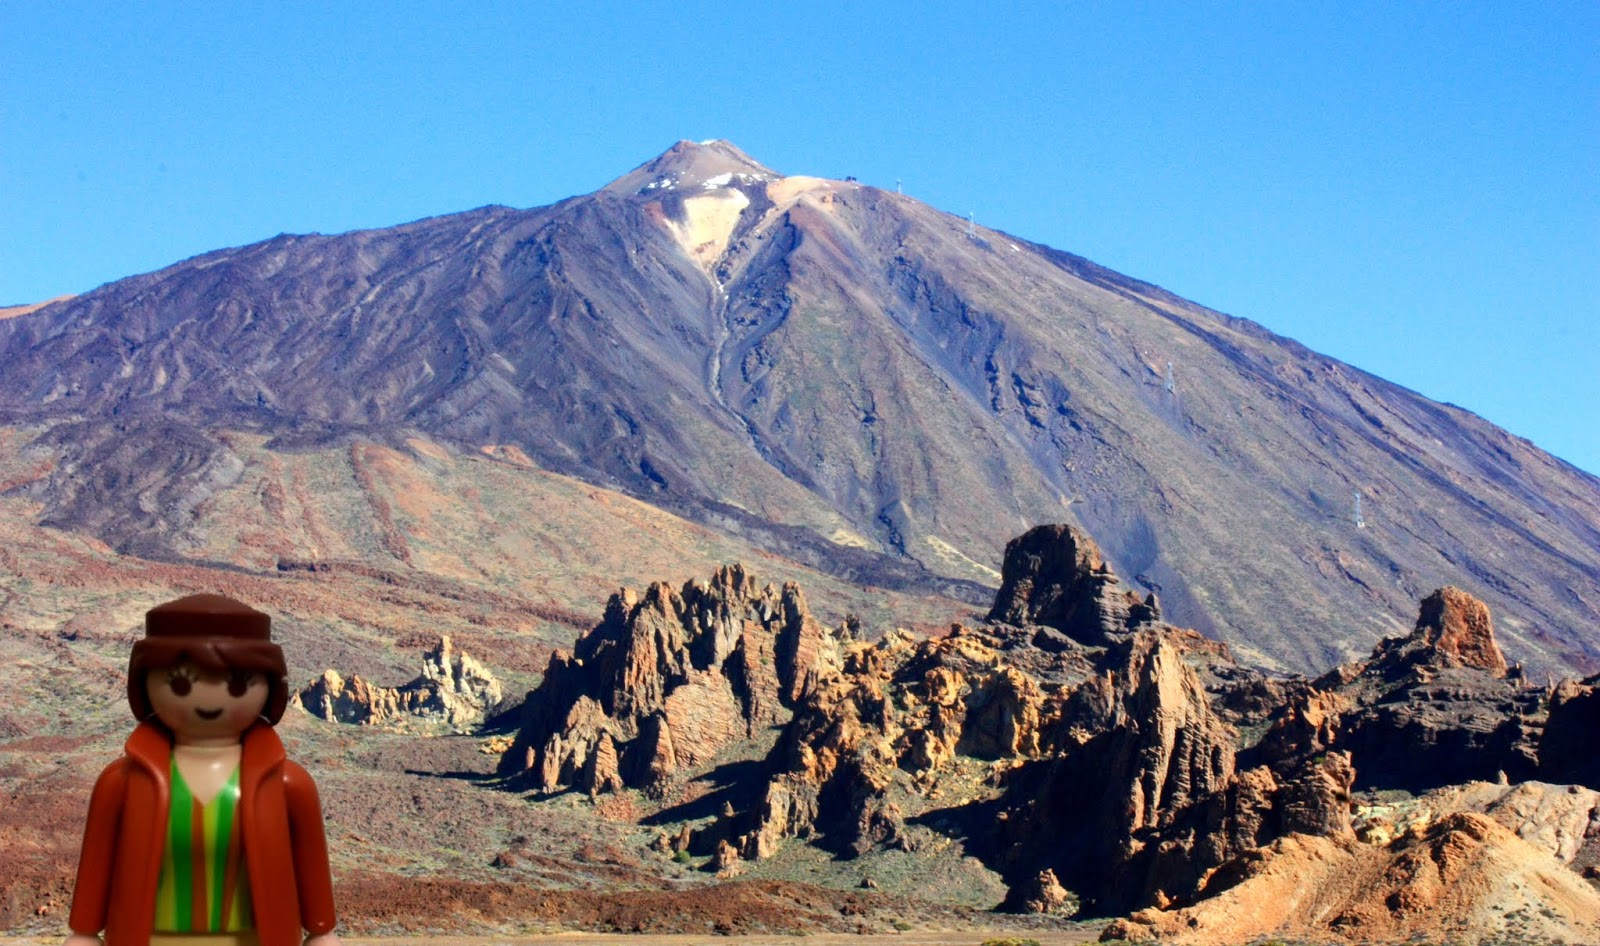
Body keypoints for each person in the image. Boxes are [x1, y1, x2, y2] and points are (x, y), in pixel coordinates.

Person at [64, 594, 340, 946]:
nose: (209, 698)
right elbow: (96, 872)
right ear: (145, 681)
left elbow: (311, 872)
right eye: (180, 683)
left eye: (238, 683)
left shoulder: (289, 784)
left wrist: (322, 934)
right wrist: (84, 935)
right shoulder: (120, 783)